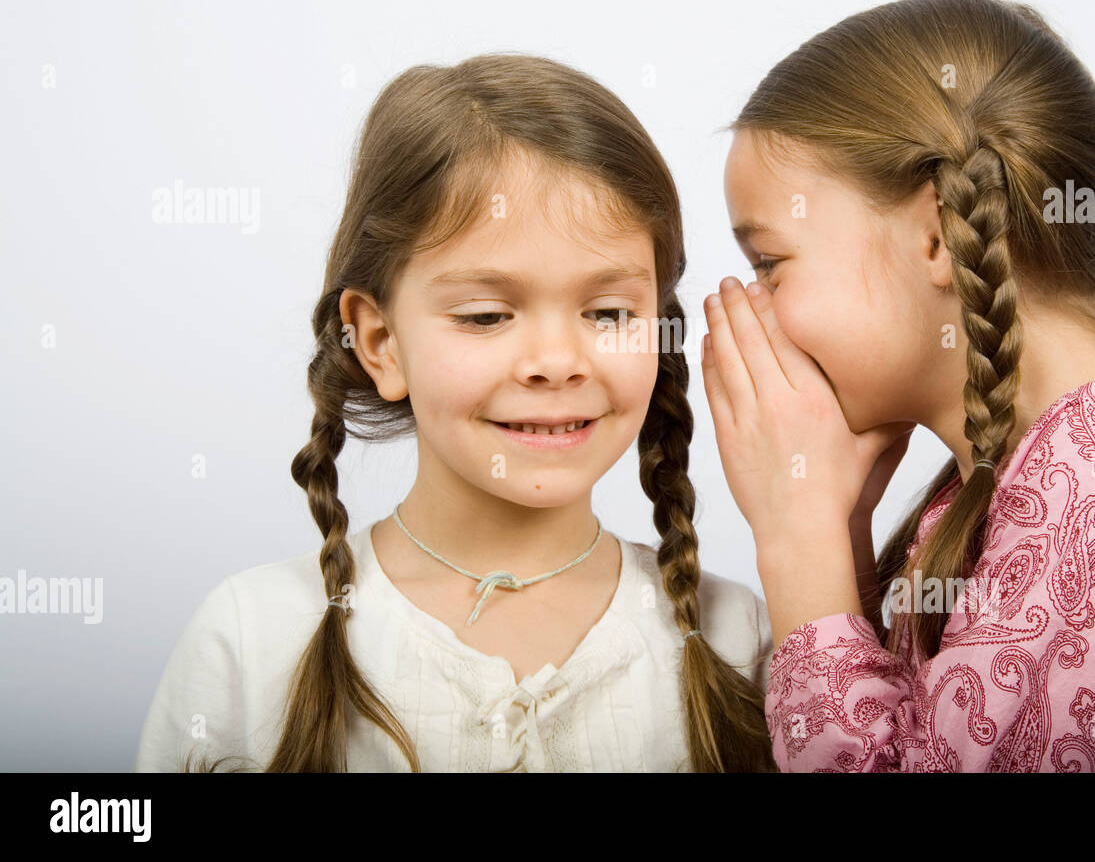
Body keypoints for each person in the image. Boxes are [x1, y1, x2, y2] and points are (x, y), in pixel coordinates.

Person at [134, 54, 774, 772]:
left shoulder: (735, 638)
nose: (556, 362)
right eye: (486, 315)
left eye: (607, 312)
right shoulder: (252, 640)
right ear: (381, 343)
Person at [700, 0, 1095, 771]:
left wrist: (795, 535)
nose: (754, 313)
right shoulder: (1044, 471)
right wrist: (841, 530)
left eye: (769, 265)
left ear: (937, 236)